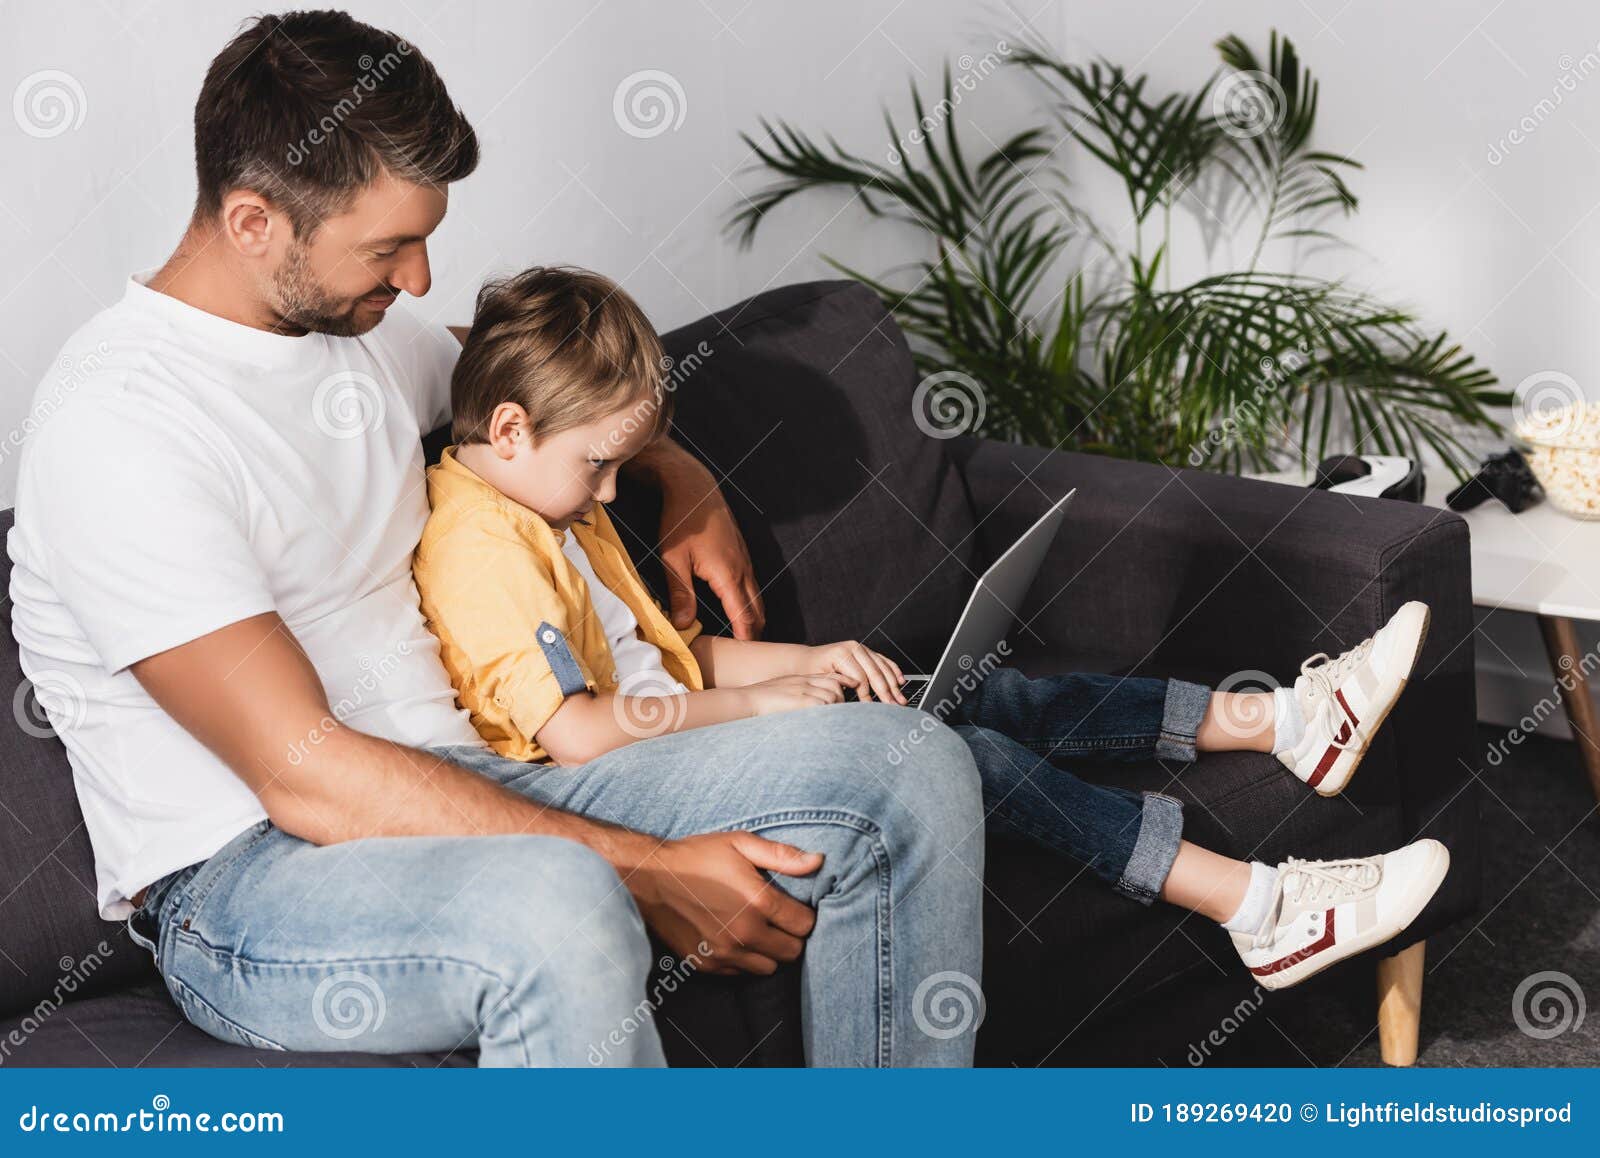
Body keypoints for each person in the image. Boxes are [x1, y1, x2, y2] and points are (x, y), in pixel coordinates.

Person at [9, 11, 984, 1066]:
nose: (420, 280)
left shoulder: (363, 338)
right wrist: (643, 868)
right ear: (254, 222)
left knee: (907, 764)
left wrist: (680, 473)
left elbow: (549, 393)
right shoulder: (118, 427)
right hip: (259, 880)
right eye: (388, 248)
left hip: (484, 778)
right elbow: (306, 775)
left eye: (424, 239)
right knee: (557, 905)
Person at [415, 264, 1453, 995]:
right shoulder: (486, 547)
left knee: (962, 694)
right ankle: (1259, 911)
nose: (610, 489)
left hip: (693, 730)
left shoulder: (558, 509)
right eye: (598, 464)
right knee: (971, 756)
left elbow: (676, 661)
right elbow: (581, 735)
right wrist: (758, 706)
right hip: (629, 786)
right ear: (509, 428)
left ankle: (1279, 722)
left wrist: (810, 663)